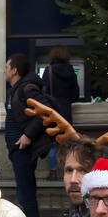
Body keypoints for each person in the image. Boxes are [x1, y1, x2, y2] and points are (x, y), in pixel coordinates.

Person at [3, 53, 50, 217]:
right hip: (17, 149)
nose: (4, 70)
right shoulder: (17, 89)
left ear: (14, 70)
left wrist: (28, 135)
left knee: (26, 195)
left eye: (7, 67)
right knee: (25, 194)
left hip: (24, 149)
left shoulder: (27, 88)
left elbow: (45, 112)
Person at [42, 47, 80, 180]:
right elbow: (75, 94)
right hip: (66, 111)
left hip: (53, 111)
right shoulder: (71, 71)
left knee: (52, 143)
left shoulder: (49, 70)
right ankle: (69, 171)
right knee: (68, 143)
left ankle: (53, 172)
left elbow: (44, 93)